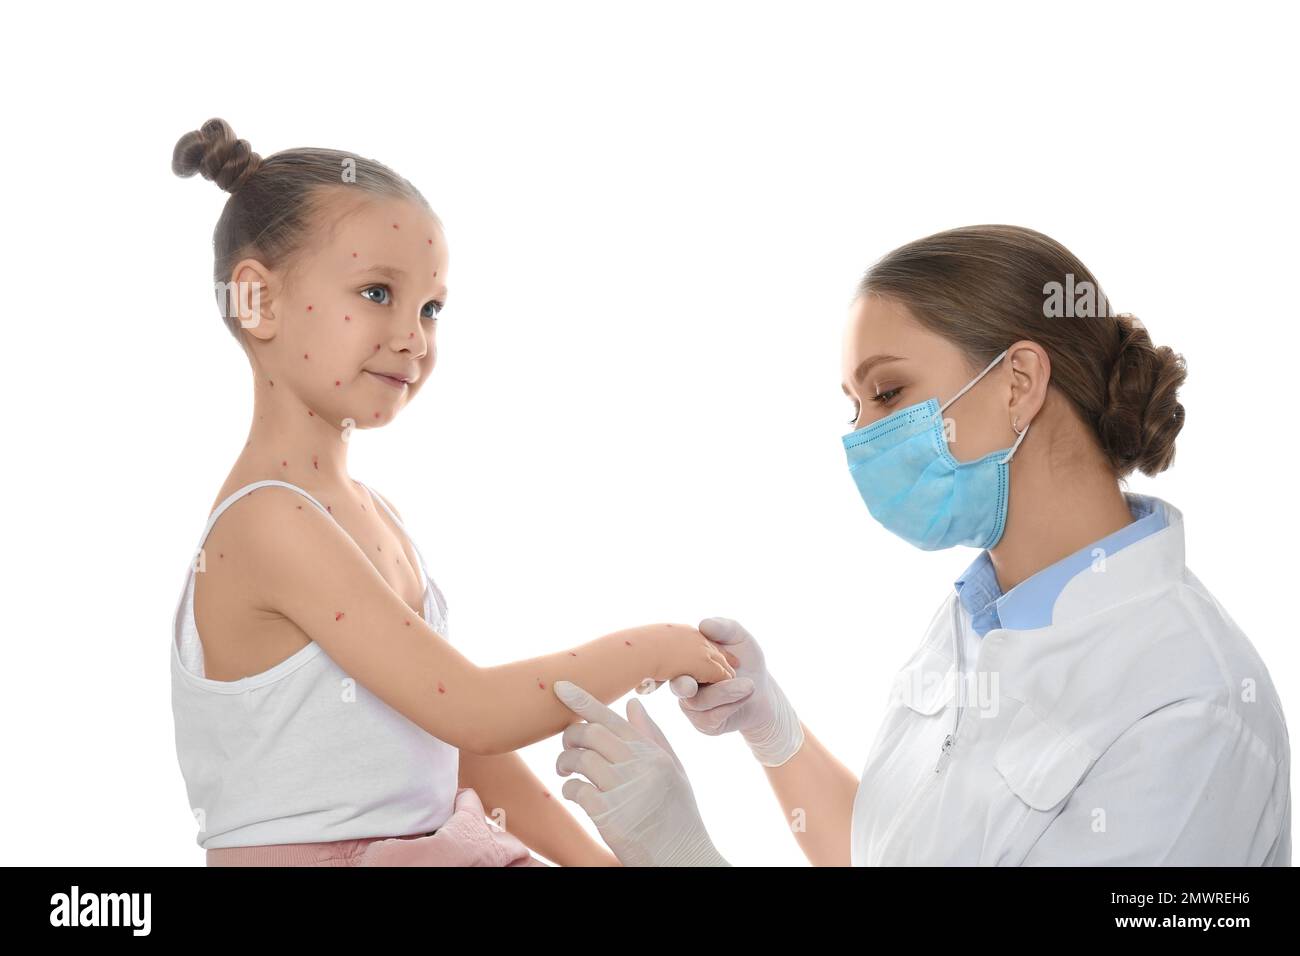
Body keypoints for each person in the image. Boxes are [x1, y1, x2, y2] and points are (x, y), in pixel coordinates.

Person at [553, 224, 1291, 866]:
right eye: (854, 404)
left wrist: (688, 860)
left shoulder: (1192, 707)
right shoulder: (982, 614)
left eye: (887, 393)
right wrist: (773, 731)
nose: (862, 435)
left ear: (1019, 382)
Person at [168, 118, 734, 867]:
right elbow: (475, 709)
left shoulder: (378, 517)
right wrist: (659, 647)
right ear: (259, 303)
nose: (413, 336)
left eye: (431, 309)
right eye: (377, 293)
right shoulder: (270, 523)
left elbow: (457, 746)